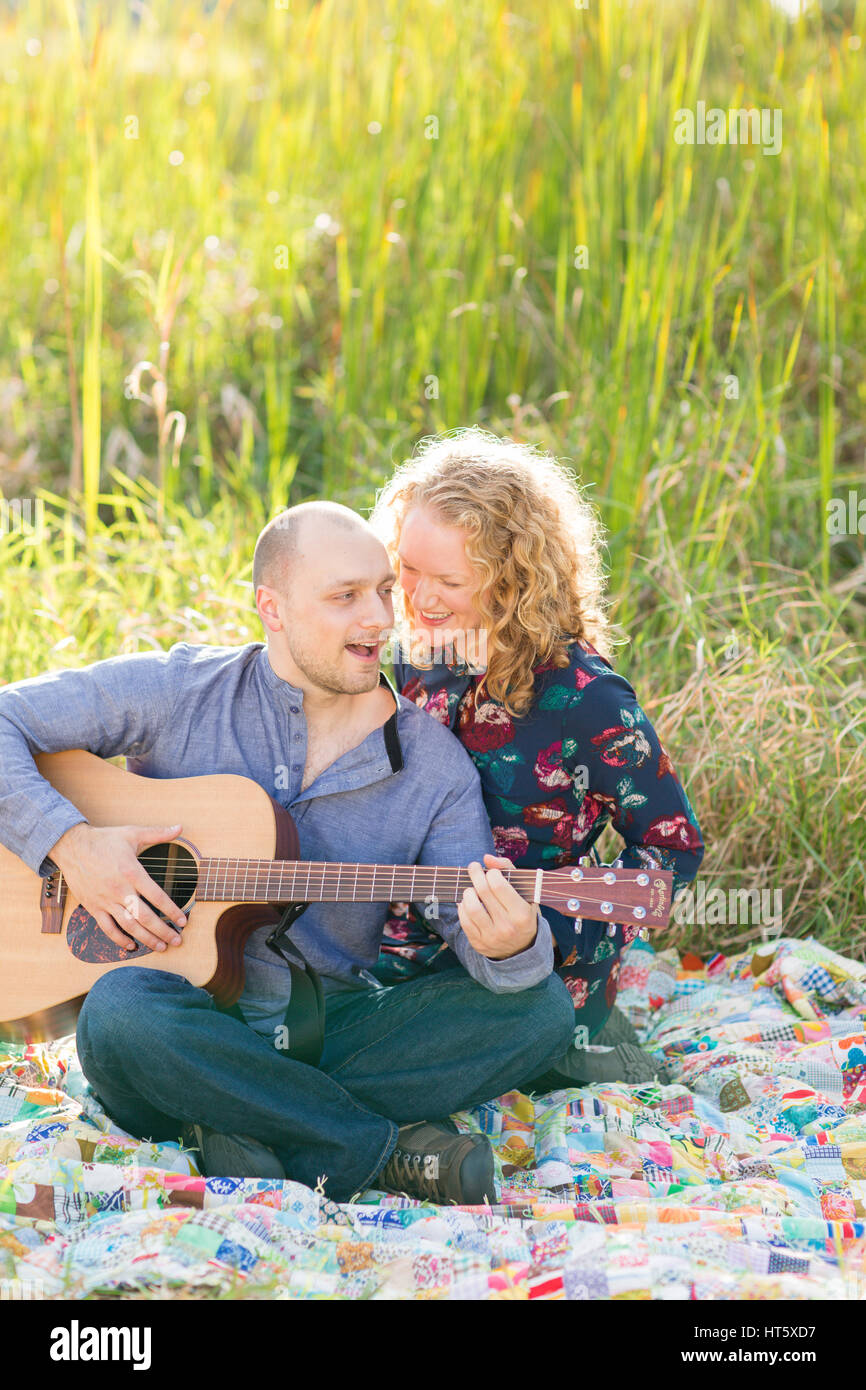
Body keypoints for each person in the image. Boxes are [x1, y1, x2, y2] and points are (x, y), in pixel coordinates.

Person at [0, 501, 576, 1205]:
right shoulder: (179, 690)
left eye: (383, 591)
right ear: (272, 608)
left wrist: (511, 941)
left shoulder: (432, 765)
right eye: (345, 597)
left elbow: (475, 932)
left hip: (327, 1028)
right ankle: (376, 1149)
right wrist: (72, 845)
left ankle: (241, 1125)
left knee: (540, 1009)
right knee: (118, 1012)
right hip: (173, 1021)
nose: (378, 618)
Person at [369, 428, 705, 1087]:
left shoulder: (585, 697)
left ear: (513, 582)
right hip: (411, 957)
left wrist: (547, 934)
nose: (420, 597)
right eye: (407, 567)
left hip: (534, 980)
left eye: (450, 580)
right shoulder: (419, 655)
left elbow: (672, 852)